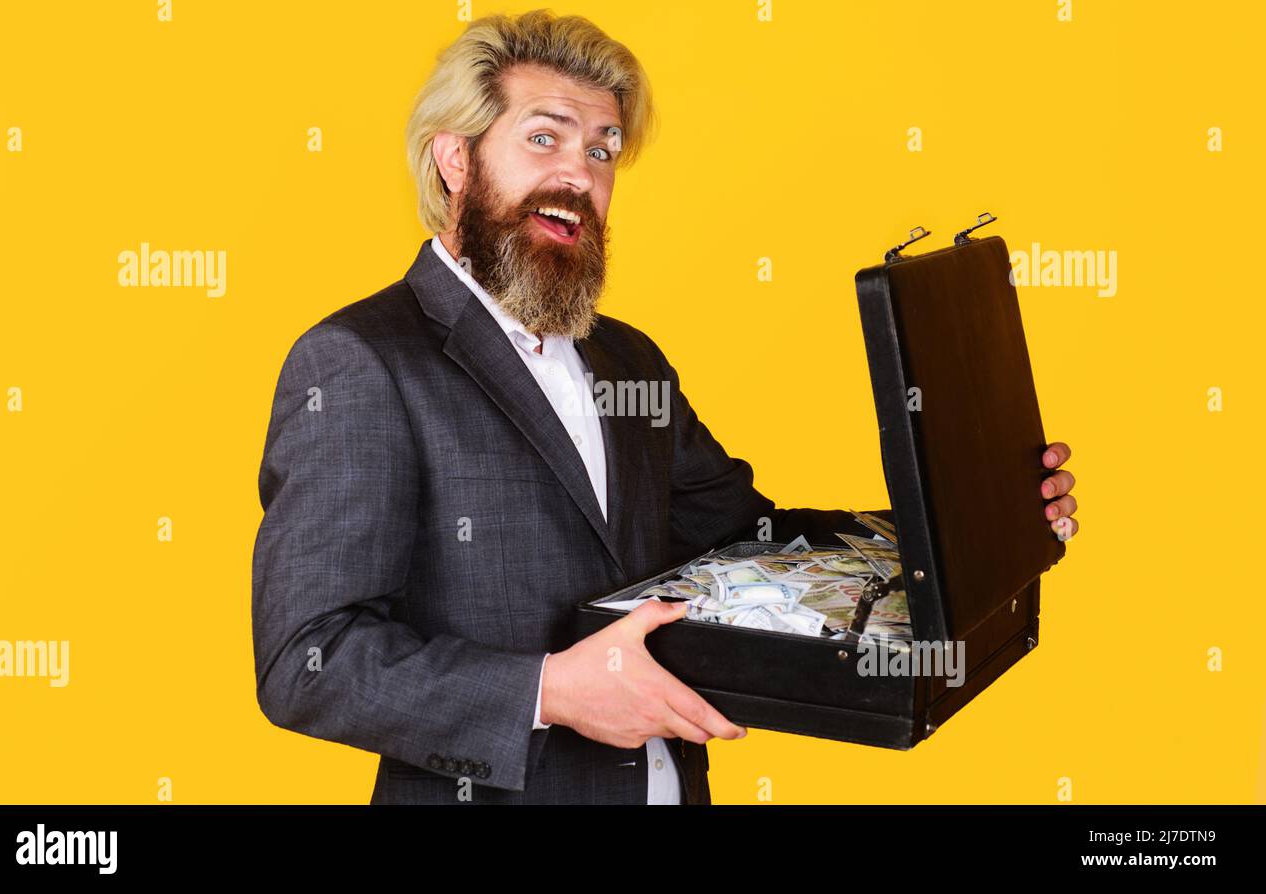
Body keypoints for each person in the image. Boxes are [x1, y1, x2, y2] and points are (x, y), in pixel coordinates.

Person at [251, 10, 1080, 805]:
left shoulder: (627, 359)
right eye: (544, 137)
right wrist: (552, 691)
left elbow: (743, 540)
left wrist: (961, 531)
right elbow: (306, 660)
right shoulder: (359, 361)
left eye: (603, 150)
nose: (579, 175)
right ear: (454, 161)